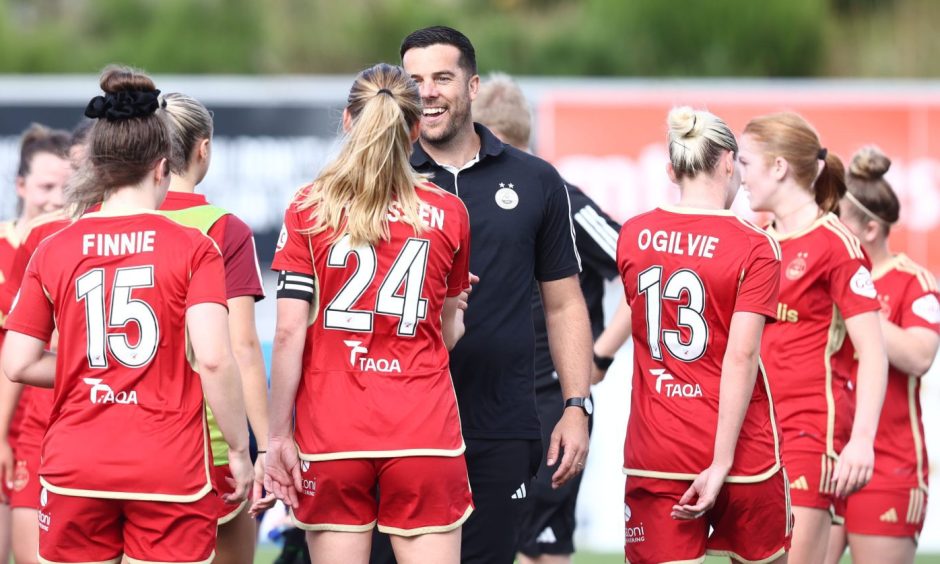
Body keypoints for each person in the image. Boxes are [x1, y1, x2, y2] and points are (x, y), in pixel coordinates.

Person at [0, 65, 252, 563]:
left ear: (95, 166)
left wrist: (87, 365)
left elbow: (18, 363)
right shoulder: (195, 247)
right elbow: (217, 361)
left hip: (76, 463)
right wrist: (242, 452)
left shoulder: (54, 247)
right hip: (168, 465)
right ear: (162, 166)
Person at [368, 27, 592, 564]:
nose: (426, 92)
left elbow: (564, 303)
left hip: (501, 423)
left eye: (441, 78)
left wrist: (577, 405)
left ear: (471, 86)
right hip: (395, 426)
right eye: (414, 80)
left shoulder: (537, 179)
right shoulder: (378, 180)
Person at [265, 62, 473, 564]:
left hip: (332, 433)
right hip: (422, 432)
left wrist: (276, 437)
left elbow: (290, 331)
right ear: (416, 129)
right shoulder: (448, 211)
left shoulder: (308, 207)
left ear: (347, 120)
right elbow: (448, 331)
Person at [618, 106, 789, 563]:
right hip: (741, 452)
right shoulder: (754, 244)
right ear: (729, 162)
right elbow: (741, 357)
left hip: (657, 448)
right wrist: (721, 462)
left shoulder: (634, 234)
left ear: (672, 169)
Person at [471, 72, 625, 564]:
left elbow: (645, 269)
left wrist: (600, 351)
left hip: (551, 401)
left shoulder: (563, 198)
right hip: (486, 399)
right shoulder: (464, 197)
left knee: (542, 543)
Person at [738, 112, 888, 562]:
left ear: (779, 167)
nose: (739, 176)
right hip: (755, 435)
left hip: (809, 433)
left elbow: (875, 354)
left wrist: (861, 440)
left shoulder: (835, 245)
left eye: (746, 162)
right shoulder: (756, 242)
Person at [158, 91, 274, 563]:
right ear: (202, 148)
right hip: (206, 440)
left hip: (117, 436)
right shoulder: (222, 228)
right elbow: (241, 346)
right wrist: (264, 446)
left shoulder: (103, 223)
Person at [824, 146, 939, 564]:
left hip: (889, 466)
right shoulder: (825, 277)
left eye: (838, 222)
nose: (829, 230)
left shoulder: (914, 282)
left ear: (870, 230)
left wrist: (857, 308)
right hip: (827, 457)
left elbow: (920, 355)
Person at [0, 123, 70, 564]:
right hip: (9, 425)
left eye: (66, 185)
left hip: (45, 423)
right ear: (21, 185)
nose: (56, 197)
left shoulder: (65, 243)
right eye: (46, 186)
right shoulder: (15, 245)